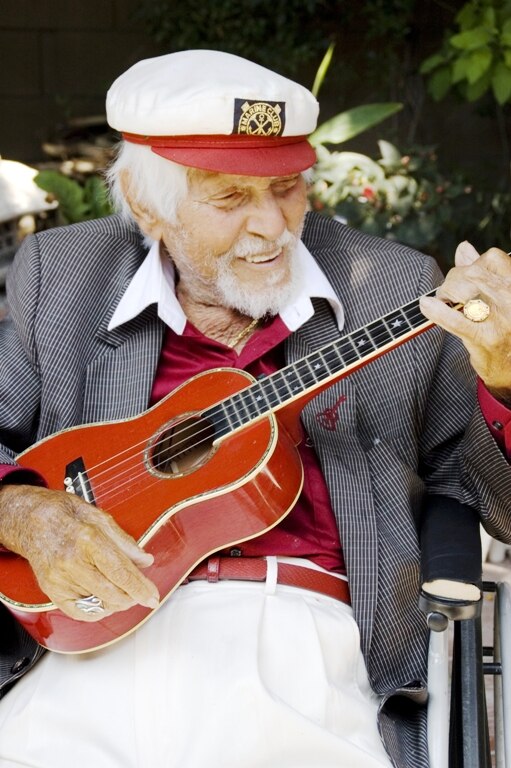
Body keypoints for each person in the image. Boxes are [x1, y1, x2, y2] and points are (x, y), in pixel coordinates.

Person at [0, 49, 509, 768]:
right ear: (148, 206)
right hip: (94, 638)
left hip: (302, 645)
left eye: (288, 188)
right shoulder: (65, 275)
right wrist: (26, 514)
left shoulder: (394, 287)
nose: (272, 226)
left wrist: (505, 383)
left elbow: (486, 497)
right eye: (230, 199)